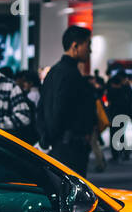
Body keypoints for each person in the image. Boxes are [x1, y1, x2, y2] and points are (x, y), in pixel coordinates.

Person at [37, 25, 97, 176]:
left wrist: (45, 139)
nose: (90, 50)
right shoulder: (70, 74)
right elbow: (60, 110)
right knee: (72, 193)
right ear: (75, 46)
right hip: (69, 147)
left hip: (58, 145)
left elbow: (41, 107)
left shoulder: (53, 72)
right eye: (88, 45)